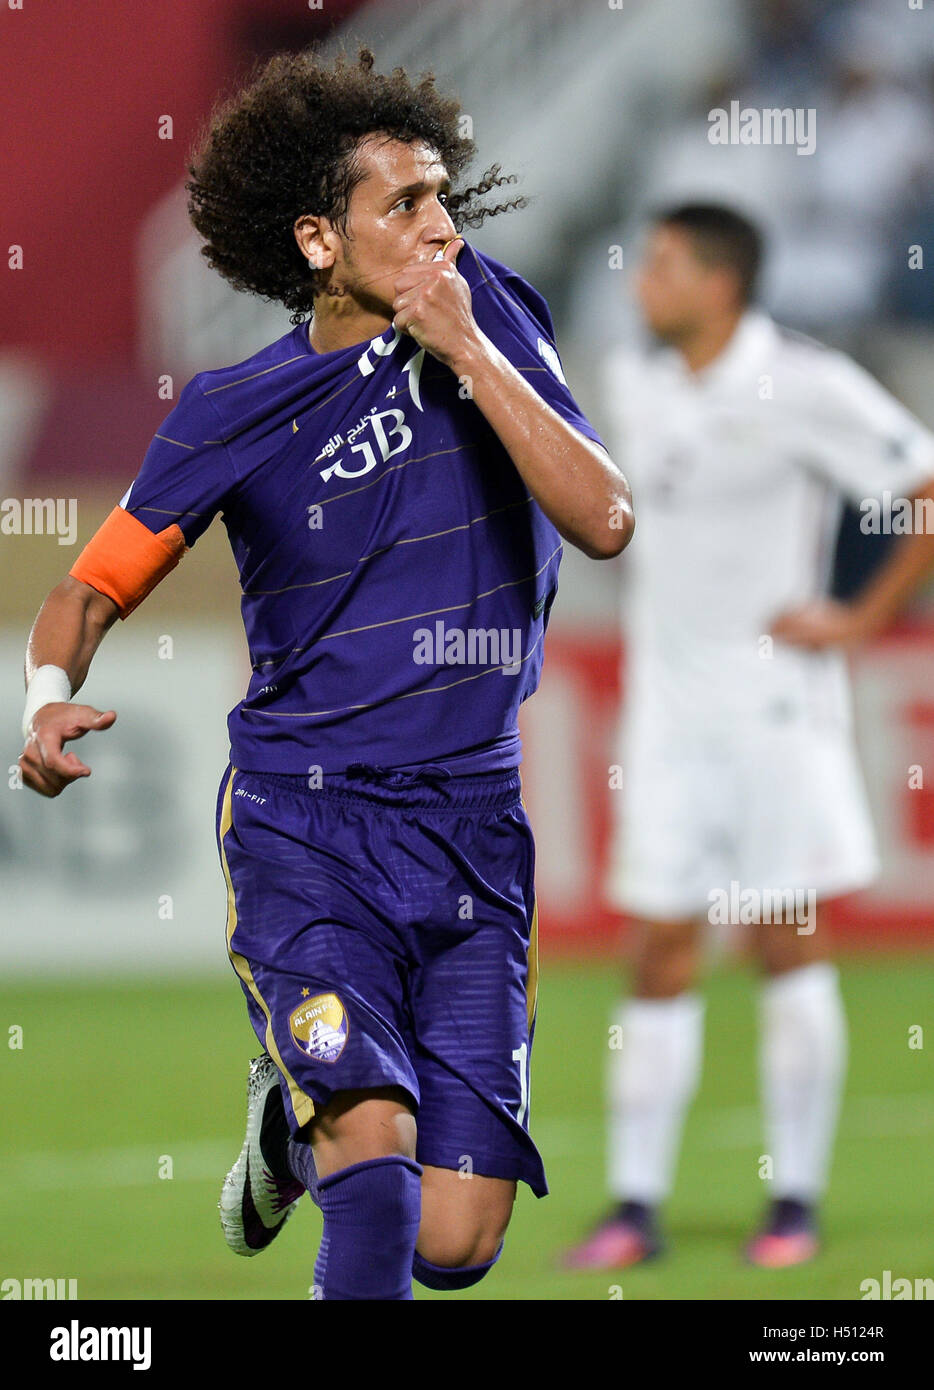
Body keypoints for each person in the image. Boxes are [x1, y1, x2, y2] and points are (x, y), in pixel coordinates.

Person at [19, 48, 633, 1301]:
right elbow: (89, 587)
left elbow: (606, 517)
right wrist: (42, 702)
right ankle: (321, 1117)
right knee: (376, 1156)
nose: (436, 227)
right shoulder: (235, 410)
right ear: (317, 239)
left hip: (471, 823)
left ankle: (281, 1127)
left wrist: (465, 345)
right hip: (309, 823)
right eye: (400, 206)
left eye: (439, 198)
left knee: (455, 1246)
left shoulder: (493, 312)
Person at [564, 203, 934, 1271]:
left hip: (775, 706)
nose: (642, 283)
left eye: (664, 265)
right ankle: (634, 1206)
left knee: (784, 936)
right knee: (659, 947)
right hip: (665, 718)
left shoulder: (801, 381)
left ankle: (795, 1202)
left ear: (720, 283)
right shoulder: (634, 383)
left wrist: (863, 618)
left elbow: (923, 482)